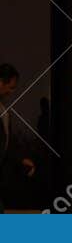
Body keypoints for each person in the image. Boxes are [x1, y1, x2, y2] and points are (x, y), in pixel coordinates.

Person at [0, 64, 37, 211]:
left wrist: (20, 158)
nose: (12, 91)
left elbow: (6, 143)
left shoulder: (3, 111)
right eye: (11, 86)